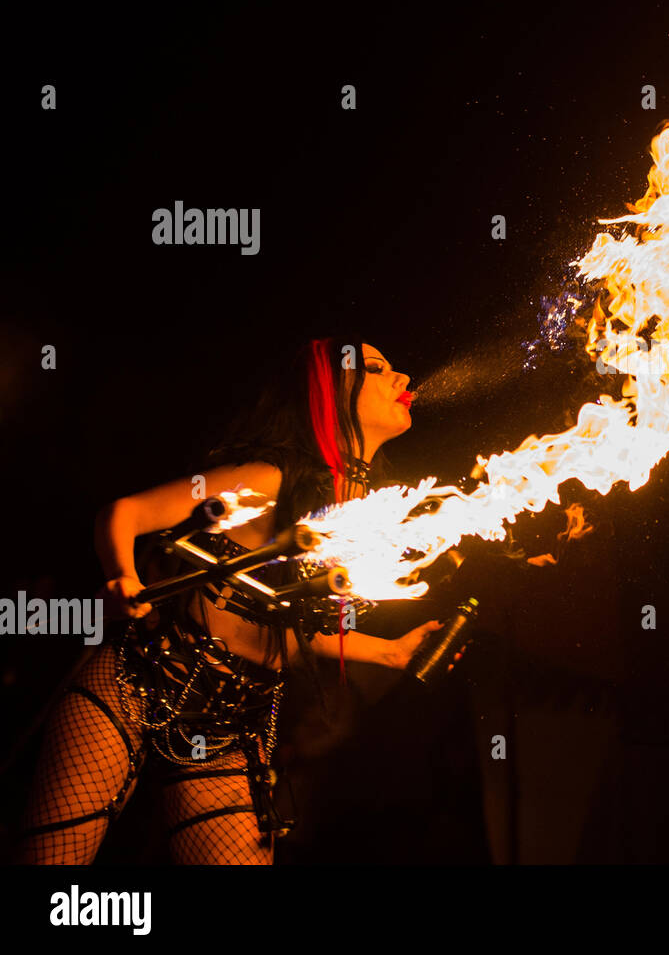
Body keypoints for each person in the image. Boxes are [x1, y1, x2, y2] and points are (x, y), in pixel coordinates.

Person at [16, 336, 444, 865]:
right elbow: (124, 513)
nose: (402, 379)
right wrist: (121, 576)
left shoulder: (357, 508)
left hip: (229, 724)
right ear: (329, 395)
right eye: (379, 369)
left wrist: (390, 651)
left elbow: (284, 619)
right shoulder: (267, 479)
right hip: (138, 681)